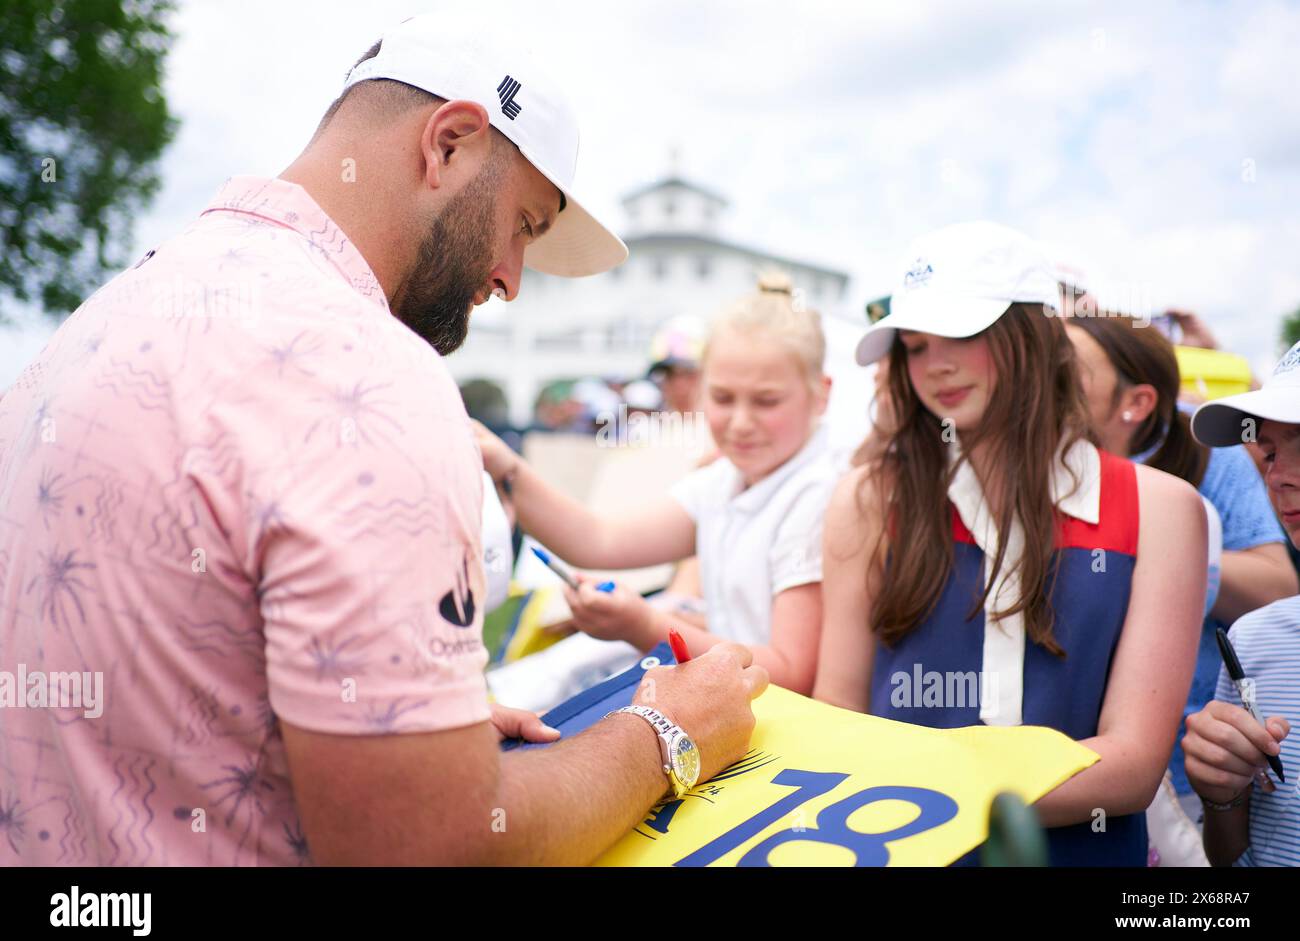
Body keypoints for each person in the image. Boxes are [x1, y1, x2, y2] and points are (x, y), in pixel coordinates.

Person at [0, 17, 767, 866]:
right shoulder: (369, 378)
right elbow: (432, 850)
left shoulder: (101, 318)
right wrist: (667, 732)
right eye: (523, 224)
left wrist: (408, 734)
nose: (511, 277)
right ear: (449, 144)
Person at [814, 222, 1207, 866]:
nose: (933, 364)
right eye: (913, 345)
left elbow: (1132, 767)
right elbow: (839, 706)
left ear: (1038, 336)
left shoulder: (1161, 508)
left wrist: (919, 784)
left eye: (963, 334)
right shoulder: (866, 498)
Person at [475, 274, 836, 694]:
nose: (740, 422)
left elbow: (791, 672)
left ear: (821, 395)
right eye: (722, 398)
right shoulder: (724, 480)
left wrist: (644, 626)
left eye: (766, 401)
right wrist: (505, 465)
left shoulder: (817, 494)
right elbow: (600, 539)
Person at [1065, 315, 1296, 812]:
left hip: (1184, 777)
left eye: (1071, 373)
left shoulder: (1209, 457)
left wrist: (1176, 555)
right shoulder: (1016, 471)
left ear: (1137, 402)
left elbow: (1278, 587)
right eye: (1271, 452)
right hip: (1061, 771)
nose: (1280, 475)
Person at [1183, 342, 1300, 866]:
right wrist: (1221, 791)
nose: (1279, 477)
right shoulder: (1250, 639)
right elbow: (1233, 864)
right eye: (1270, 452)